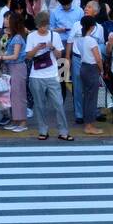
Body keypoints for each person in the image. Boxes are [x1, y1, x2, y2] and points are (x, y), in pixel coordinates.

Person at [24, 10, 73, 140]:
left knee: (59, 103)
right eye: (41, 26)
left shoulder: (54, 36)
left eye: (45, 25)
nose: (43, 28)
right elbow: (28, 56)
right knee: (40, 105)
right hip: (36, 75)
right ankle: (43, 130)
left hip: (52, 74)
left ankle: (63, 131)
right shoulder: (31, 37)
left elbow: (60, 55)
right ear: (37, 25)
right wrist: (37, 48)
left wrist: (51, 47)